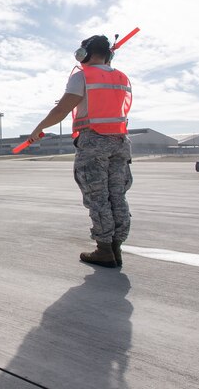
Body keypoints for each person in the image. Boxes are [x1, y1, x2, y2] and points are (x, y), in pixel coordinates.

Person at [26, 35, 133, 268]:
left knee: (98, 197)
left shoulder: (83, 76)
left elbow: (61, 110)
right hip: (120, 142)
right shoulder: (121, 77)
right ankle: (116, 247)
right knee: (117, 196)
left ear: (83, 54)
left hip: (94, 142)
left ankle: (104, 250)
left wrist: (39, 128)